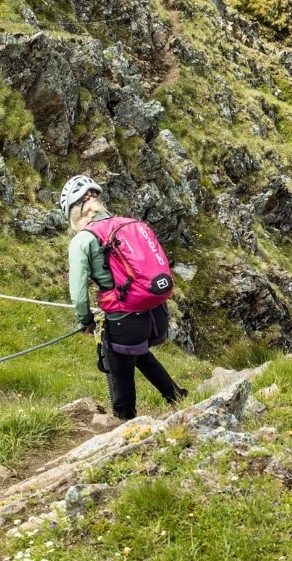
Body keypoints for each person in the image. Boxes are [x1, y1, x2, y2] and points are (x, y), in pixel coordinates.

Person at [60, 174, 185, 421]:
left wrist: (84, 320)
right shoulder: (130, 224)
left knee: (120, 372)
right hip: (155, 311)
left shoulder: (83, 239)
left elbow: (78, 293)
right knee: (139, 355)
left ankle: (124, 424)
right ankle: (177, 396)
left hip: (124, 318)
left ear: (76, 210)